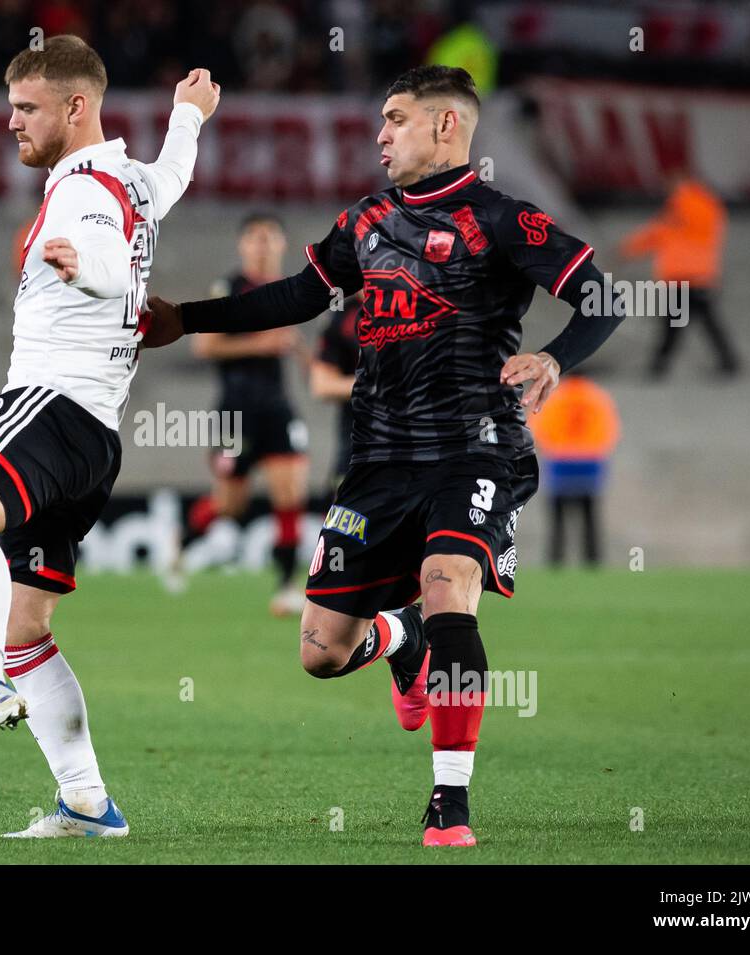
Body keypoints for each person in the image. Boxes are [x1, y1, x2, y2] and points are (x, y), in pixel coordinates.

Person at [141, 65, 625, 847]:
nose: (380, 134)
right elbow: (298, 294)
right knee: (321, 653)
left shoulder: (501, 220)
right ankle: (400, 640)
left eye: (395, 119)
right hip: (377, 458)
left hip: (473, 443)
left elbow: (602, 293)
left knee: (448, 586)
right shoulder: (365, 221)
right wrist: (185, 318)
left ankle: (450, 802)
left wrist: (557, 358)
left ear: (445, 127)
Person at [0, 35, 219, 838]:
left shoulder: (83, 188)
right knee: (28, 627)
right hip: (95, 440)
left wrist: (82, 267)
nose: (12, 124)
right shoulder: (128, 178)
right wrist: (188, 116)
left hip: (49, 403)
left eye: (27, 109)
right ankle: (88, 804)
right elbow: (171, 179)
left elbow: (110, 261)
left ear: (76, 107)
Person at [189, 212, 310, 616]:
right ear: (243, 245)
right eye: (255, 238)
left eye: (269, 238)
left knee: (290, 493)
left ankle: (287, 586)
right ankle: (180, 541)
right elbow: (204, 348)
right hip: (236, 412)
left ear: (282, 246)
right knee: (230, 504)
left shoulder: (289, 291)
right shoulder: (229, 289)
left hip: (277, 408)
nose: (261, 246)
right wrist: (261, 344)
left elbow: (288, 344)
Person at [621, 173, 738, 378]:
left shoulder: (677, 206)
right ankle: (728, 363)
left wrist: (625, 251)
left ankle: (659, 367)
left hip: (678, 278)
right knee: (707, 324)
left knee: (674, 325)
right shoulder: (710, 206)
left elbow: (655, 234)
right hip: (702, 277)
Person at [528, 375, 620, 566]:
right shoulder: (597, 396)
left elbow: (538, 427)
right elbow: (610, 429)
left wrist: (555, 447)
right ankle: (592, 560)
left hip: (560, 462)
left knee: (558, 519)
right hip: (589, 462)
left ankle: (556, 560)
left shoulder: (556, 397)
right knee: (589, 516)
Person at [310, 297, 360, 490]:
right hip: (358, 437)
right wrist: (373, 386)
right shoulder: (341, 316)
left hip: (414, 438)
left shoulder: (416, 304)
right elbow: (321, 385)